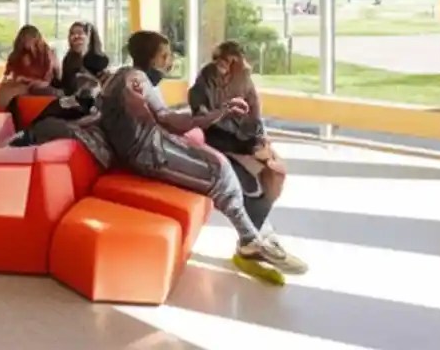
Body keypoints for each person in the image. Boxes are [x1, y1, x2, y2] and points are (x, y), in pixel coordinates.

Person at [97, 31, 306, 274]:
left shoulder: (120, 76)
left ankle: (254, 234)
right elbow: (168, 118)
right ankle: (250, 241)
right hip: (148, 153)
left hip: (146, 148)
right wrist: (222, 112)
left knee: (241, 172)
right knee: (220, 170)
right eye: (164, 56)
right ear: (151, 59)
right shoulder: (138, 79)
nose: (169, 62)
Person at [189, 41, 298, 265]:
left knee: (274, 174)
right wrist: (248, 147)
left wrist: (260, 144)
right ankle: (253, 239)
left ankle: (256, 233)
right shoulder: (201, 87)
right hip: (219, 146)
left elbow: (256, 119)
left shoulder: (245, 82)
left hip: (245, 144)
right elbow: (206, 126)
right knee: (247, 184)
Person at [0, 25, 59, 113]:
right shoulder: (17, 55)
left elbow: (48, 78)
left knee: (44, 90)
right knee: (6, 93)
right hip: (21, 85)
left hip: (40, 85)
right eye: (25, 38)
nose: (28, 41)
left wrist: (27, 80)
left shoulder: (46, 53)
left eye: (31, 38)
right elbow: (8, 75)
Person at [57, 21, 109, 95]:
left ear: (90, 37)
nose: (75, 36)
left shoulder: (100, 60)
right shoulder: (68, 59)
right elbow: (65, 86)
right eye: (72, 33)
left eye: (80, 33)